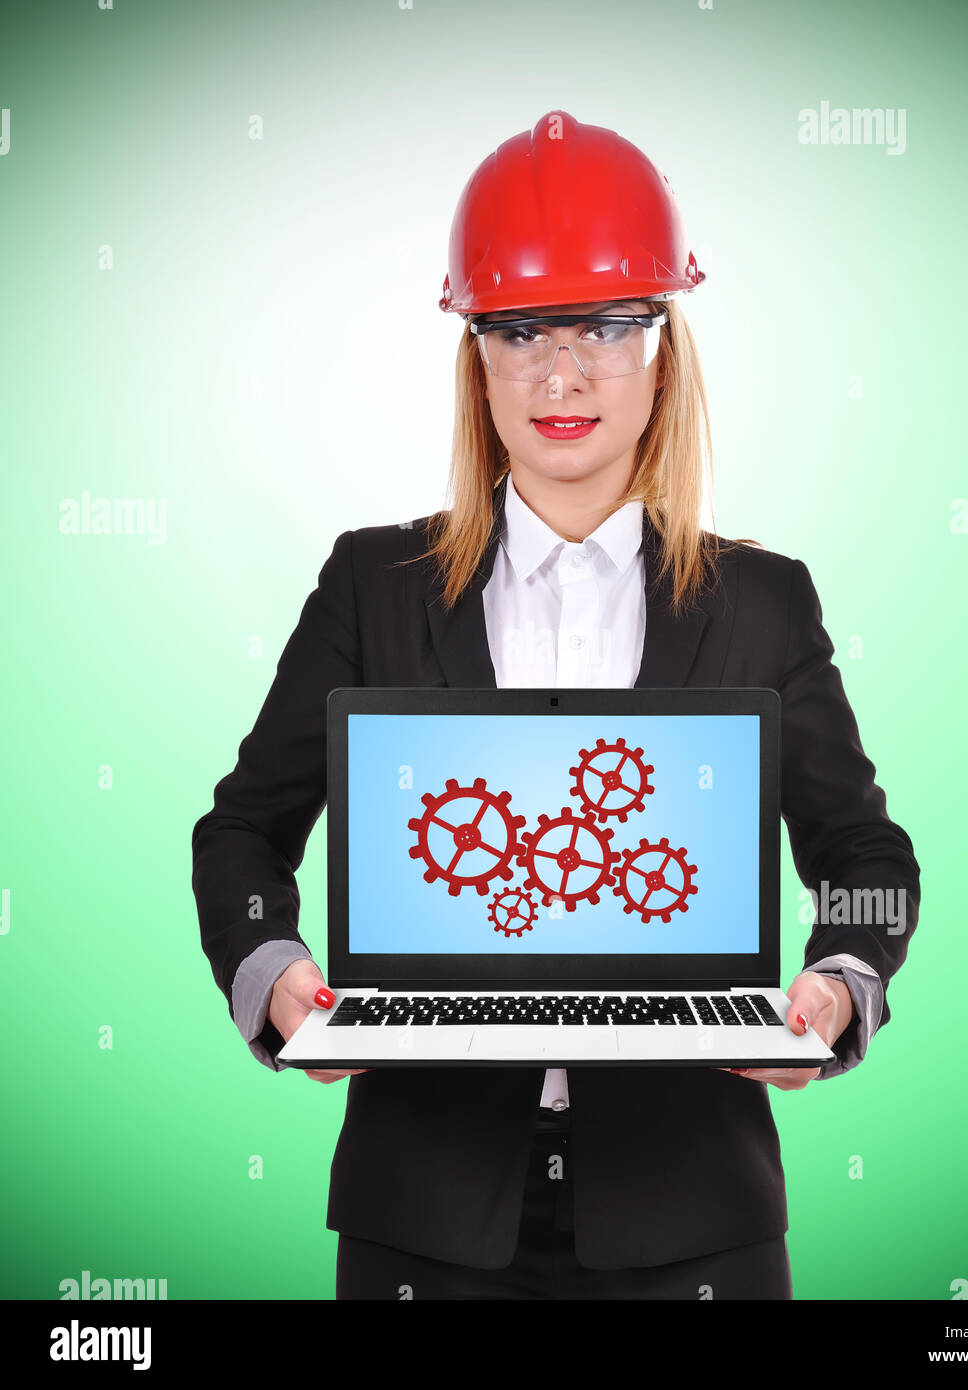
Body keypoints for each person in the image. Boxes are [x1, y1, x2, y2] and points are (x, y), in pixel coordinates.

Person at [192, 110, 920, 1300]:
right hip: (421, 1209)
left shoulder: (765, 602)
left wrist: (840, 981)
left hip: (696, 1214)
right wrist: (274, 970)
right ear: (476, 357)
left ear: (663, 353)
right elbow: (242, 832)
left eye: (605, 326)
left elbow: (863, 851)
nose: (561, 373)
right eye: (520, 330)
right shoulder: (372, 587)